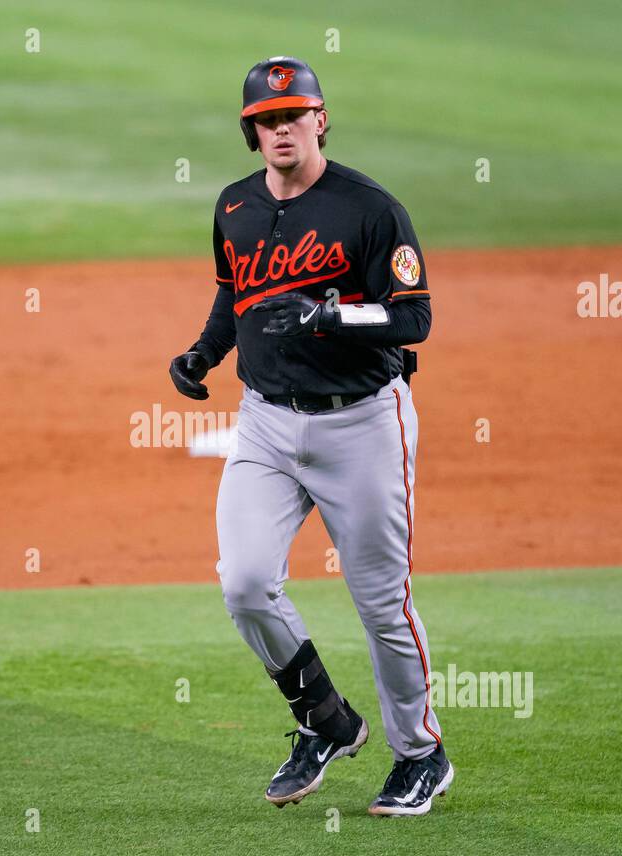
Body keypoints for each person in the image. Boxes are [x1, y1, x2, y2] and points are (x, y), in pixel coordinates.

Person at [168, 56, 452, 816]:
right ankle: (324, 720)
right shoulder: (234, 208)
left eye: (294, 114)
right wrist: (203, 351)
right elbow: (235, 292)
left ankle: (421, 754)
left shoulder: (370, 209)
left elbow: (414, 317)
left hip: (361, 423)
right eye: (267, 119)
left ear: (321, 119)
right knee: (244, 581)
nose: (281, 127)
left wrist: (336, 316)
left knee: (380, 604)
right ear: (250, 131)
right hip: (264, 422)